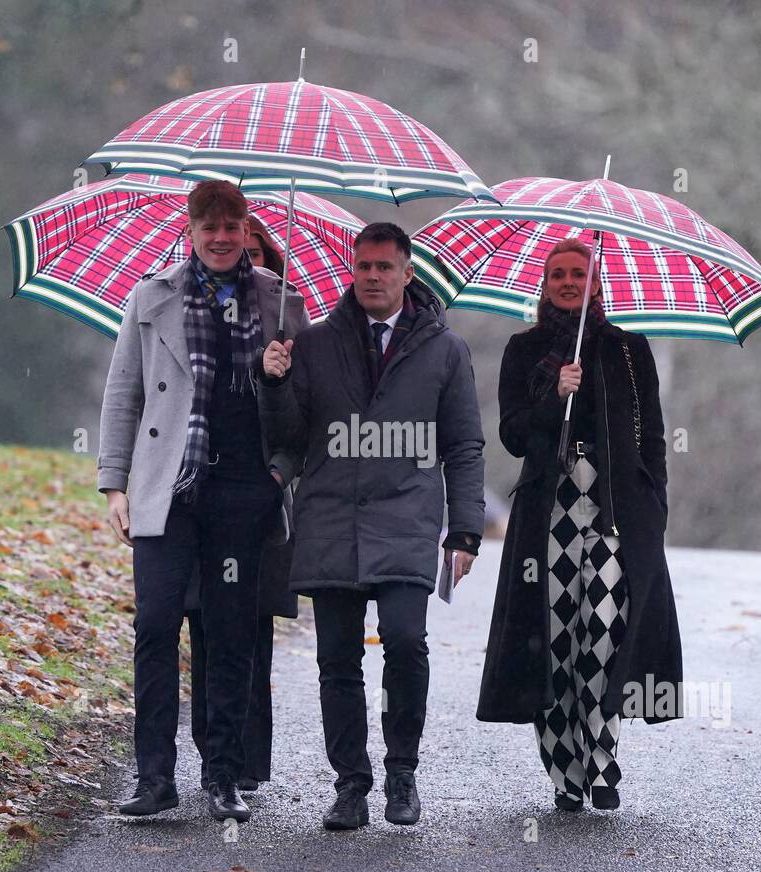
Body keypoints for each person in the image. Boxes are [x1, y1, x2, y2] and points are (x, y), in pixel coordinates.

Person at [96, 180, 310, 823]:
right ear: (190, 229)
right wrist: (115, 485)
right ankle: (154, 776)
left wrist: (279, 468)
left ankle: (222, 777)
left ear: (248, 229)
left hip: (244, 492)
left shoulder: (280, 303)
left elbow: (305, 411)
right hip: (169, 488)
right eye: (208, 225)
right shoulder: (150, 298)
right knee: (155, 626)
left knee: (229, 632)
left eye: (232, 224)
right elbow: (122, 396)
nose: (221, 237)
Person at [260, 222, 486, 830]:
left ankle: (402, 771)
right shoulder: (312, 344)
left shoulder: (445, 351)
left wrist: (464, 532)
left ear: (408, 274)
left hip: (408, 519)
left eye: (385, 267)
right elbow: (288, 436)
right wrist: (275, 381)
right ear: (351, 270)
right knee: (336, 658)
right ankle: (351, 783)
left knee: (407, 642)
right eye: (363, 267)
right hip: (331, 517)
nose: (373, 277)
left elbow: (464, 445)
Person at [477, 237, 684, 811]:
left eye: (579, 274)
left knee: (605, 628)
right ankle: (564, 769)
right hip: (550, 517)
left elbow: (654, 439)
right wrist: (553, 395)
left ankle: (601, 759)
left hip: (615, 518)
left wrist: (655, 507)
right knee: (555, 636)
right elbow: (514, 435)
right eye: (558, 274)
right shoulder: (526, 351)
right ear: (543, 284)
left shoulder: (626, 349)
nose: (569, 282)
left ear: (596, 282)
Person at [185, 216, 297, 793]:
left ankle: (246, 758)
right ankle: (215, 751)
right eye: (237, 248)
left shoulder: (285, 323)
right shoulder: (196, 318)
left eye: (255, 252)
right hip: (201, 493)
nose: (241, 257)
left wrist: (277, 473)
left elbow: (303, 419)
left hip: (261, 502)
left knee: (251, 629)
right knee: (203, 623)